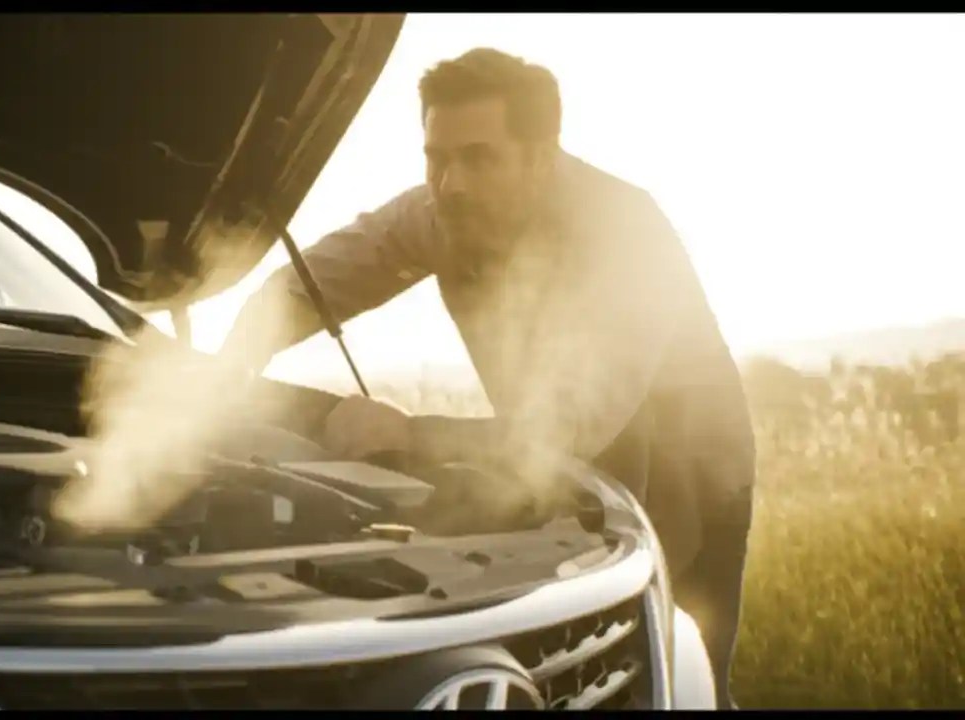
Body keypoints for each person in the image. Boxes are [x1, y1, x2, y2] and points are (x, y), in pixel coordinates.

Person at [217, 47, 756, 709]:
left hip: (693, 470)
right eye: (436, 158)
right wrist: (218, 378)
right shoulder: (441, 215)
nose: (451, 183)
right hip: (555, 452)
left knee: (663, 669)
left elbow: (575, 425)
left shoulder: (626, 236)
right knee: (555, 658)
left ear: (541, 156)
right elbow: (303, 289)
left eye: (478, 157)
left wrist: (409, 434)